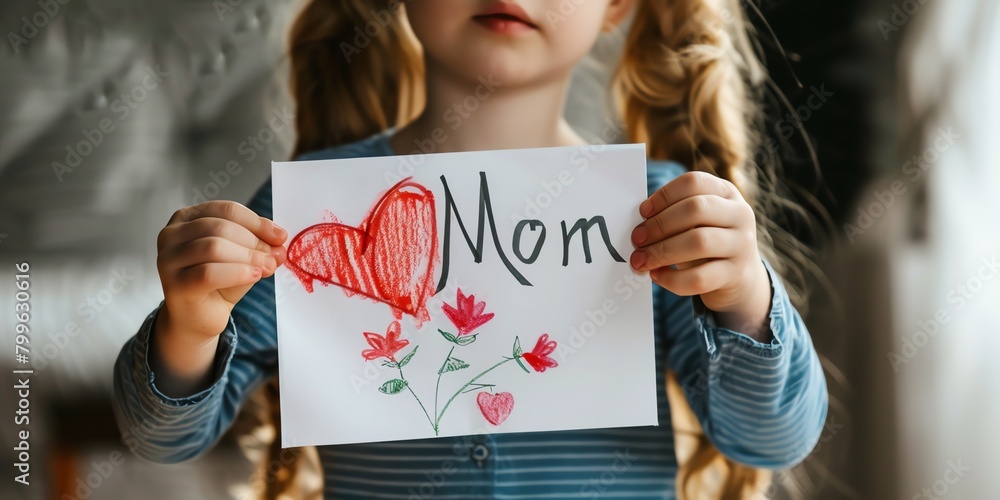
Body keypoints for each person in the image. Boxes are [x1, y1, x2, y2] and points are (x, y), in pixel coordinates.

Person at [113, 0, 828, 497]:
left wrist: (743, 300)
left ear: (616, 6)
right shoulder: (308, 220)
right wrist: (190, 325)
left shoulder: (654, 214)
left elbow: (771, 438)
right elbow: (160, 438)